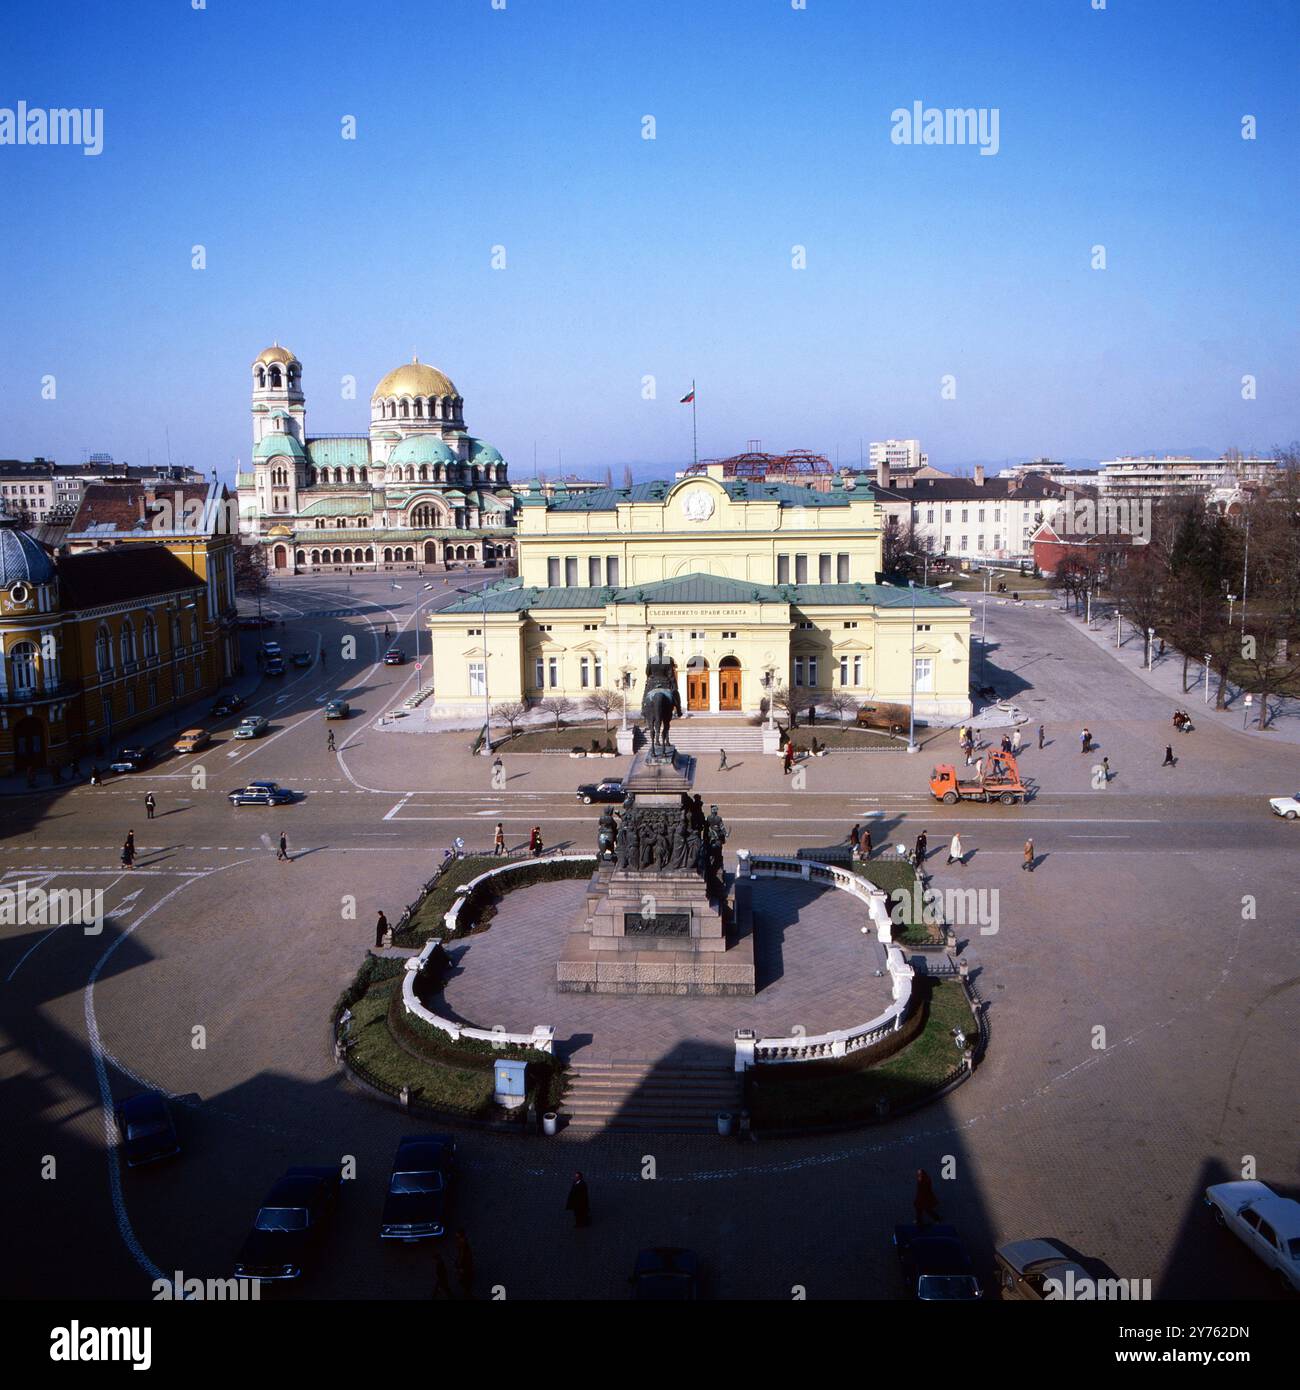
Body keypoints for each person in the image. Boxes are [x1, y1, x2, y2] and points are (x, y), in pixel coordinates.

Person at [454, 1229, 474, 1299]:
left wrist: (460, 1265)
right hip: (465, 1263)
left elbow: (462, 1255)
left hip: (465, 1265)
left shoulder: (463, 1244)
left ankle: (467, 1293)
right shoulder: (463, 1243)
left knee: (464, 1280)